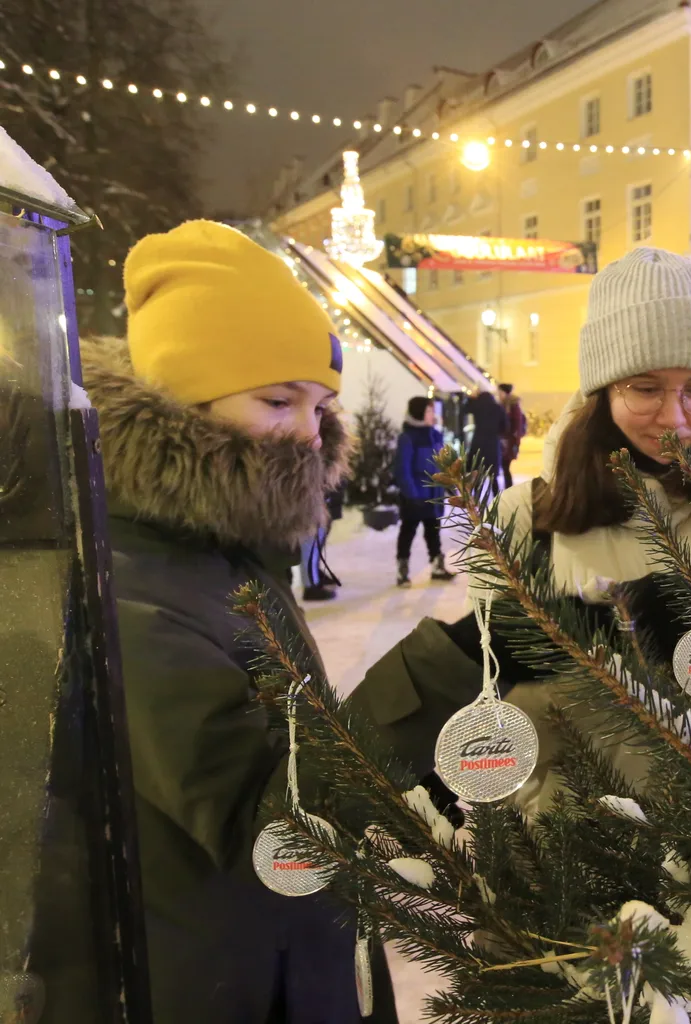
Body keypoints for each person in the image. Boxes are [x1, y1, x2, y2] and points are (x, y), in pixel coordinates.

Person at [80, 220, 428, 1023]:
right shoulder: (133, 585)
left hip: (285, 957)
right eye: (278, 401)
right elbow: (262, 827)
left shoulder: (227, 550)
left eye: (320, 405)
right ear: (180, 403)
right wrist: (427, 680)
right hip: (227, 980)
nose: (309, 433)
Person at [351, 246, 691, 807]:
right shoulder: (526, 518)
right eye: (646, 387)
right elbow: (492, 708)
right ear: (602, 389)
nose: (675, 416)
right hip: (569, 857)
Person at [394, 395, 457, 587]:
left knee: (434, 531)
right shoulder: (408, 438)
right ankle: (402, 570)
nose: (432, 414)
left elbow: (443, 464)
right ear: (419, 413)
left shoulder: (435, 435)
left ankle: (438, 566)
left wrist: (451, 486)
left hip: (434, 494)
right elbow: (402, 469)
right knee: (408, 532)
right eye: (429, 411)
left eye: (432, 410)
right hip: (415, 495)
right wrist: (411, 494)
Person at [299, 486, 344, 601]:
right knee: (312, 540)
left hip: (324, 494)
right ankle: (311, 585)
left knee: (317, 540)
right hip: (315, 495)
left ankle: (315, 575)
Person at [464, 387, 507, 499]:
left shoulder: (477, 407)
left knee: (478, 474)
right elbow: (505, 426)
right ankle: (497, 500)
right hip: (493, 444)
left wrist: (471, 398)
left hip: (478, 441)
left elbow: (465, 409)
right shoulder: (498, 408)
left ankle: (476, 500)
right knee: (493, 476)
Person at [498, 382, 526, 489]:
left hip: (509, 442)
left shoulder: (513, 405)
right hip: (504, 441)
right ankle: (507, 487)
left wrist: (515, 443)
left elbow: (517, 426)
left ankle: (508, 487)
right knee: (504, 466)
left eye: (500, 392)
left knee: (505, 466)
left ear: (505, 392)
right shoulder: (503, 405)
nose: (499, 394)